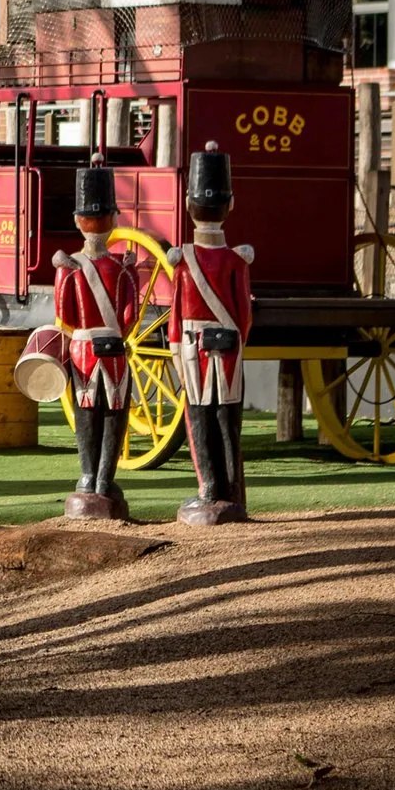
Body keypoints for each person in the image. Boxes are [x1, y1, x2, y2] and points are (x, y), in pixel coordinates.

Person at [50, 154, 142, 521]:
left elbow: (64, 315)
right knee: (114, 416)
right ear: (114, 220)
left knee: (86, 415)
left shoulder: (69, 268)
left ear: (77, 220)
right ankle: (105, 479)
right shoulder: (121, 270)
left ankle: (87, 477)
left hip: (83, 351)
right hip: (114, 351)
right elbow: (130, 317)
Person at [170, 143, 255, 525]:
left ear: (189, 208)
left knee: (198, 418)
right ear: (232, 205)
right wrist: (238, 350)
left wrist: (175, 351)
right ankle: (232, 489)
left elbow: (175, 315)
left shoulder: (184, 259)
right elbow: (245, 316)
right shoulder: (237, 259)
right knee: (227, 419)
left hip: (193, 351)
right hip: (230, 350)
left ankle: (208, 489)